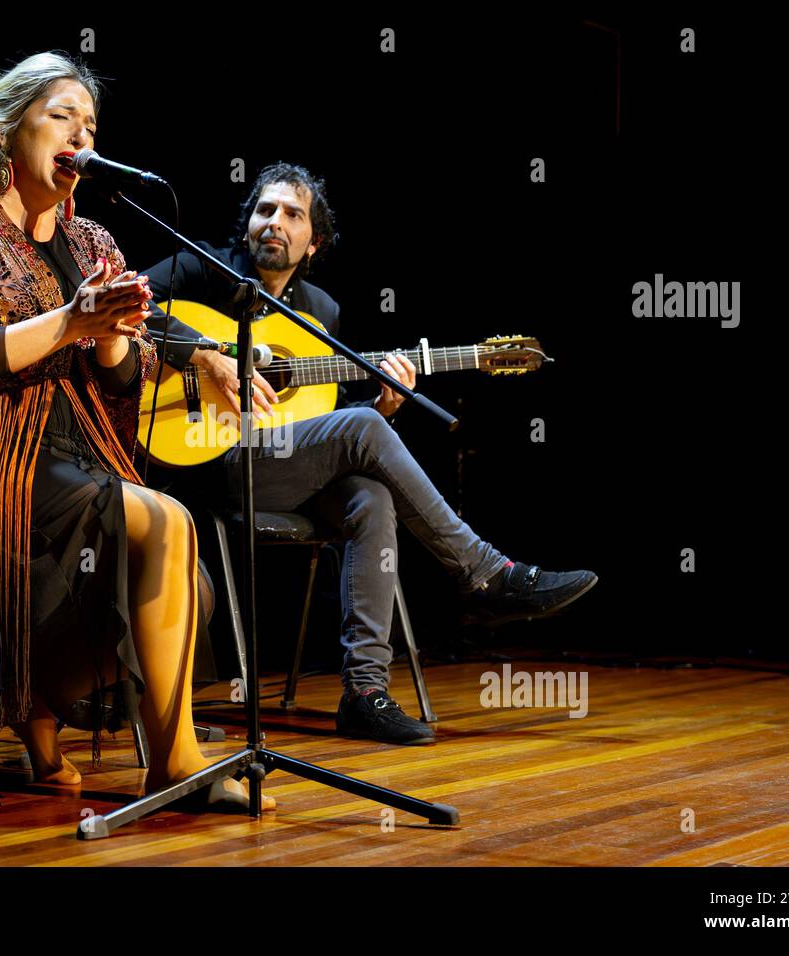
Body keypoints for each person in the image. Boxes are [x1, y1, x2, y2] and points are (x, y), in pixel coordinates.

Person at [0, 52, 270, 812]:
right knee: (168, 522)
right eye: (62, 117)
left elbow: (120, 374)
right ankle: (174, 762)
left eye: (92, 125)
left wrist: (125, 340)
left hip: (73, 449)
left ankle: (32, 700)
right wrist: (72, 321)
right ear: (7, 128)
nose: (81, 135)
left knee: (192, 589)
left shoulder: (94, 241)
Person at [142, 163, 598, 746]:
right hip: (204, 460)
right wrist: (206, 355)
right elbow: (125, 304)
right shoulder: (199, 268)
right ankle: (484, 573)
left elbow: (312, 423)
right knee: (358, 428)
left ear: (315, 242)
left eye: (292, 214)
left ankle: (364, 692)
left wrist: (383, 407)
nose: (274, 223)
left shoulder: (319, 314)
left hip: (278, 465)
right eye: (265, 210)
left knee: (370, 495)